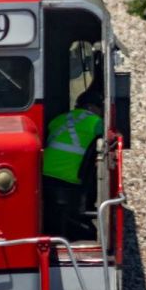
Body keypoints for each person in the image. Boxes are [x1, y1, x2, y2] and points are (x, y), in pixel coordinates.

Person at [42, 78, 104, 237]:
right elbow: (110, 139)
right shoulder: (96, 123)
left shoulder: (58, 119)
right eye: (100, 108)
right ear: (92, 107)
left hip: (42, 175)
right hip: (69, 179)